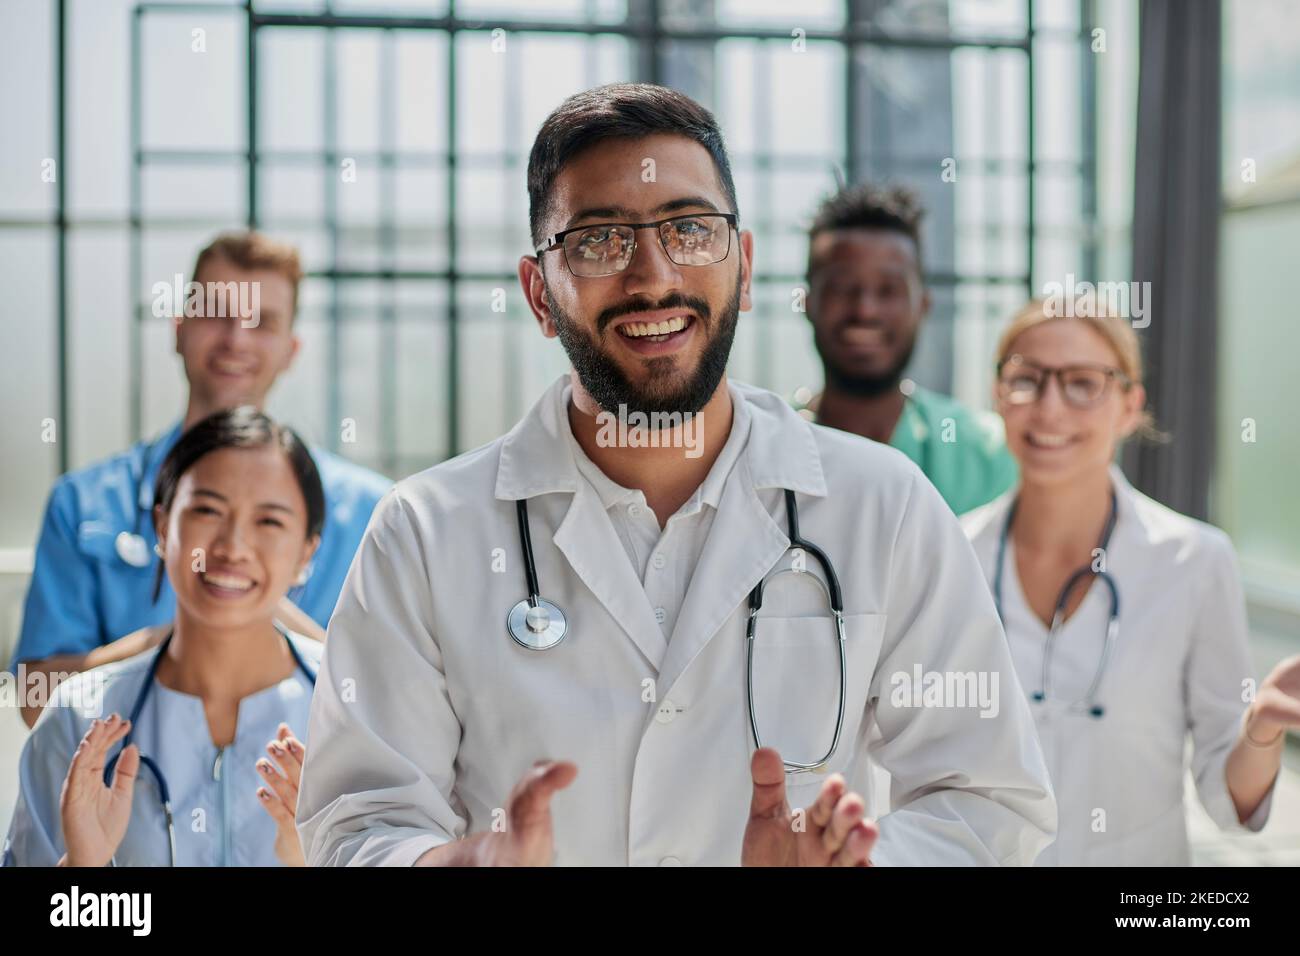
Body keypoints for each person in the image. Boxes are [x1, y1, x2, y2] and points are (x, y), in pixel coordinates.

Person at [296, 83, 1055, 867]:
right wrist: (463, 865)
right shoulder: (425, 532)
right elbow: (357, 826)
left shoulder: (884, 506)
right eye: (597, 241)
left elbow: (987, 798)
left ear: (745, 265)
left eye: (690, 229)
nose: (653, 277)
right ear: (539, 294)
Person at [961, 298, 1299, 865]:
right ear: (998, 396)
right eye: (1027, 379)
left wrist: (1262, 731)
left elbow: (1227, 801)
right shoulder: (953, 554)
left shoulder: (1193, 561)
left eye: (1082, 383)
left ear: (1129, 406)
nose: (1049, 408)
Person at [10, 231, 391, 729]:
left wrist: (250, 613)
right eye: (217, 313)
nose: (237, 338)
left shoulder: (368, 511)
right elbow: (35, 700)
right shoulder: (83, 506)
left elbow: (392, 697)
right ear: (179, 328)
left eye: (263, 323)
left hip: (295, 803)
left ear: (291, 349)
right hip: (120, 795)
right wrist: (183, 638)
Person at [3, 408, 322, 867]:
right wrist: (80, 871)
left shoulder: (353, 714)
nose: (232, 547)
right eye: (208, 510)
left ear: (305, 552)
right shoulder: (78, 719)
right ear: (161, 526)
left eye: (269, 521)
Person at [801, 183, 1017, 515]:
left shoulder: (988, 453)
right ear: (807, 303)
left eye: (888, 290)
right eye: (842, 288)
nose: (865, 311)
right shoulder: (764, 443)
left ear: (924, 305)